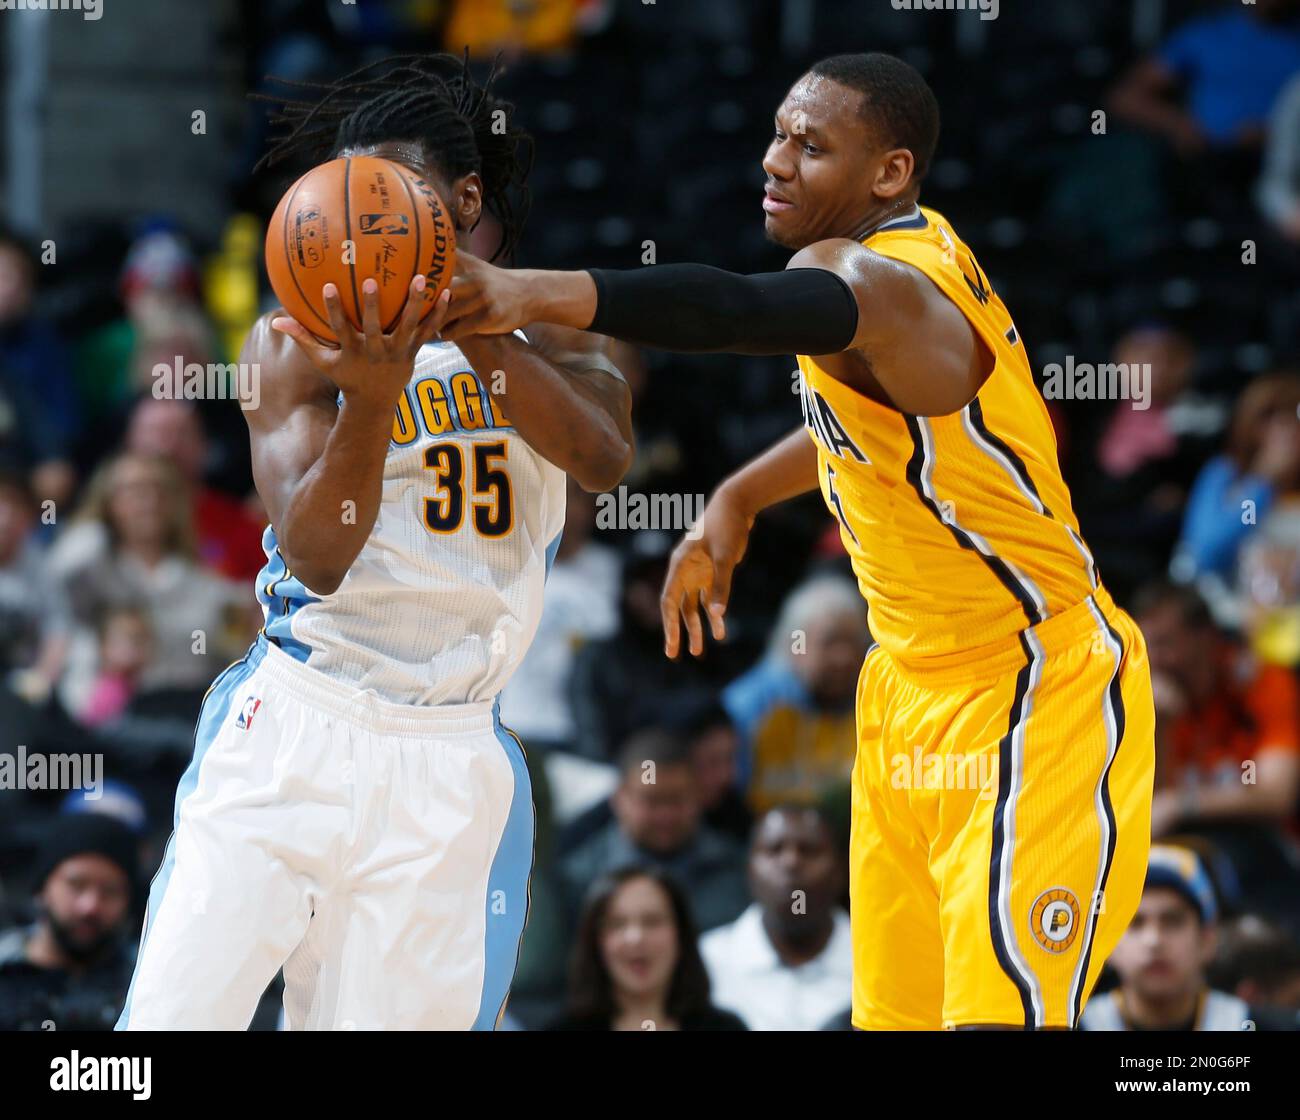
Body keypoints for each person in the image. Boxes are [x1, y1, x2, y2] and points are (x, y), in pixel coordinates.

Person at [447, 51, 1155, 1030]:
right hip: (905, 689)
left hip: (1032, 685)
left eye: (811, 146)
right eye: (779, 132)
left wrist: (529, 294)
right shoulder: (883, 279)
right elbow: (864, 423)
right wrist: (735, 497)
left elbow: (731, 310)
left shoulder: (888, 284)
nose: (775, 161)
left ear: (889, 173)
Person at [115, 53, 633, 1031]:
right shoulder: (289, 343)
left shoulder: (563, 333)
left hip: (449, 756)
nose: (367, 233)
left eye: (392, 203)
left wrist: (475, 330)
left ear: (463, 197)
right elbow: (316, 552)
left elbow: (602, 458)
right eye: (348, 210)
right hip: (298, 725)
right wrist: (376, 395)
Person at [1079, 844, 1297, 1031]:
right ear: (1108, 944)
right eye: (1135, 923)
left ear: (1207, 939)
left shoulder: (1260, 1025)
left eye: (1173, 921)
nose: (1154, 940)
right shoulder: (1073, 1025)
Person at [560, 728, 750, 935]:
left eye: (676, 800)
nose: (665, 816)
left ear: (698, 797)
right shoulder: (578, 880)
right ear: (619, 799)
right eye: (652, 801)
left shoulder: (738, 867)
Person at [723, 573, 867, 814]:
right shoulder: (747, 707)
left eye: (852, 642)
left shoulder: (871, 700)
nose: (844, 657)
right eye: (830, 642)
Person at [700, 806, 852, 1031]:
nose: (791, 862)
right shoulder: (706, 961)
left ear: (841, 870)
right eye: (773, 850)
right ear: (749, 870)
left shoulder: (881, 965)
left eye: (809, 851)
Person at [547, 867, 746, 1031]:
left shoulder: (726, 1027)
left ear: (681, 934)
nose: (636, 938)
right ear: (595, 940)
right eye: (617, 924)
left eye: (652, 922)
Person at [0, 815, 139, 1031]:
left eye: (110, 891)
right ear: (42, 888)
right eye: (76, 884)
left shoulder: (143, 984)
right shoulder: (6, 972)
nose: (90, 906)